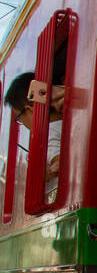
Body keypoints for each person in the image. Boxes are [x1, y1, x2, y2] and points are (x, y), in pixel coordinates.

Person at [4, 71, 62, 200]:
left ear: (30, 110)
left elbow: (60, 164)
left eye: (19, 117)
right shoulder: (69, 123)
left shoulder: (49, 134)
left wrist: (46, 173)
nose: (22, 123)